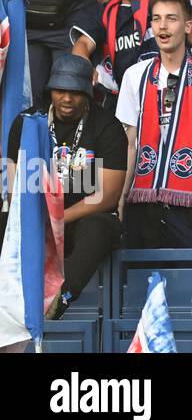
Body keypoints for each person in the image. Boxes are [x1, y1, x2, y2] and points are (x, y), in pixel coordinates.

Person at [3, 55, 125, 320]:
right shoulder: (27, 123)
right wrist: (37, 220)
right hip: (39, 216)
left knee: (100, 226)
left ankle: (61, 297)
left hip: (83, 218)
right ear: (50, 90)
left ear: (88, 94)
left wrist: (58, 220)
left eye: (75, 92)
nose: (67, 99)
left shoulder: (107, 126)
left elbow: (108, 196)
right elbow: (15, 188)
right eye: (60, 90)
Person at [117, 0, 192, 248]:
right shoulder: (134, 76)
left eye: (171, 18)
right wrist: (122, 195)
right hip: (143, 199)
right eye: (156, 19)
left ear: (188, 26)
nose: (162, 26)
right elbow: (130, 143)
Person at [96, 0, 159, 101]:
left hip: (156, 95)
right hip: (118, 100)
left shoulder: (160, 5)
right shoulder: (104, 12)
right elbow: (83, 44)